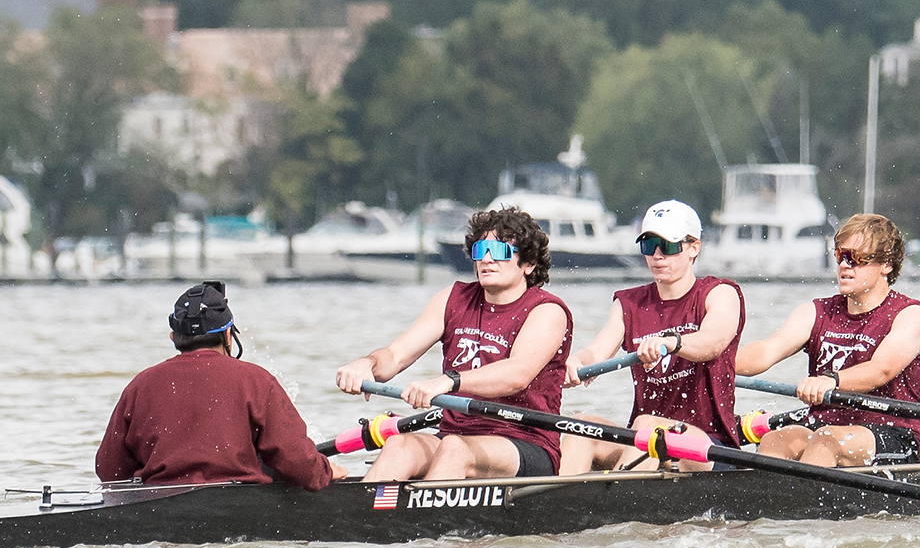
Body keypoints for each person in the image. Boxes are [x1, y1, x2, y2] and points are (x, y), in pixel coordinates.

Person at [334, 209, 573, 480]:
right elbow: (395, 355)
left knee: (455, 449)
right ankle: (361, 519)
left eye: (499, 250)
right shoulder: (453, 299)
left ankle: (421, 522)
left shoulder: (547, 311)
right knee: (399, 444)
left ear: (528, 263)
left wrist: (450, 381)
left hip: (526, 441)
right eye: (480, 249)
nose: (486, 259)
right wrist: (366, 364)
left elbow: (517, 374)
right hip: (454, 434)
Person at [97, 281, 343, 489]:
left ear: (174, 337)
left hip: (158, 511)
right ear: (228, 335)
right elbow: (297, 462)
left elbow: (110, 471)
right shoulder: (257, 380)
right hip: (235, 511)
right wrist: (325, 471)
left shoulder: (140, 385)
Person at [558, 200, 745, 473]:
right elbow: (596, 352)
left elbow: (713, 342)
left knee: (647, 424)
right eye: (649, 246)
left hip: (710, 447)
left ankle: (618, 499)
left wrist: (671, 343)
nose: (658, 255)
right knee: (580, 427)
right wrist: (577, 362)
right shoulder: (628, 303)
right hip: (646, 440)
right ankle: (555, 506)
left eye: (668, 246)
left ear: (694, 248)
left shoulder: (718, 293)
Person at [735, 213, 920, 466]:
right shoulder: (815, 312)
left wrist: (831, 380)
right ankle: (771, 502)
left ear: (886, 264)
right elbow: (765, 351)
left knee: (826, 440)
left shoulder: (911, 315)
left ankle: (800, 503)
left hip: (894, 434)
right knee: (776, 439)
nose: (844, 265)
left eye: (857, 258)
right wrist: (717, 364)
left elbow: (881, 370)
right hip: (825, 426)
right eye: (841, 256)